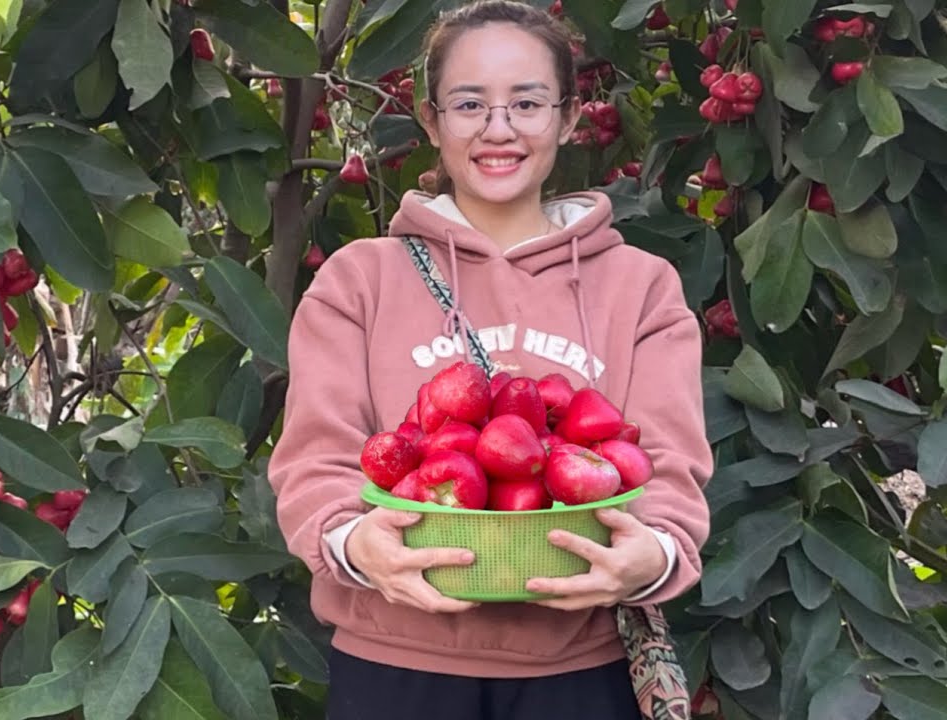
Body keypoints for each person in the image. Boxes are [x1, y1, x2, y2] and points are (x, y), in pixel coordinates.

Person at [267, 2, 712, 718]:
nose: (498, 129)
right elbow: (315, 461)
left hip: (580, 673)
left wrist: (652, 555)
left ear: (569, 118)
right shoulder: (360, 280)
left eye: (527, 103)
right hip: (394, 667)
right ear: (431, 119)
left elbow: (669, 469)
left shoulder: (641, 287)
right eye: (470, 104)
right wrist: (354, 543)